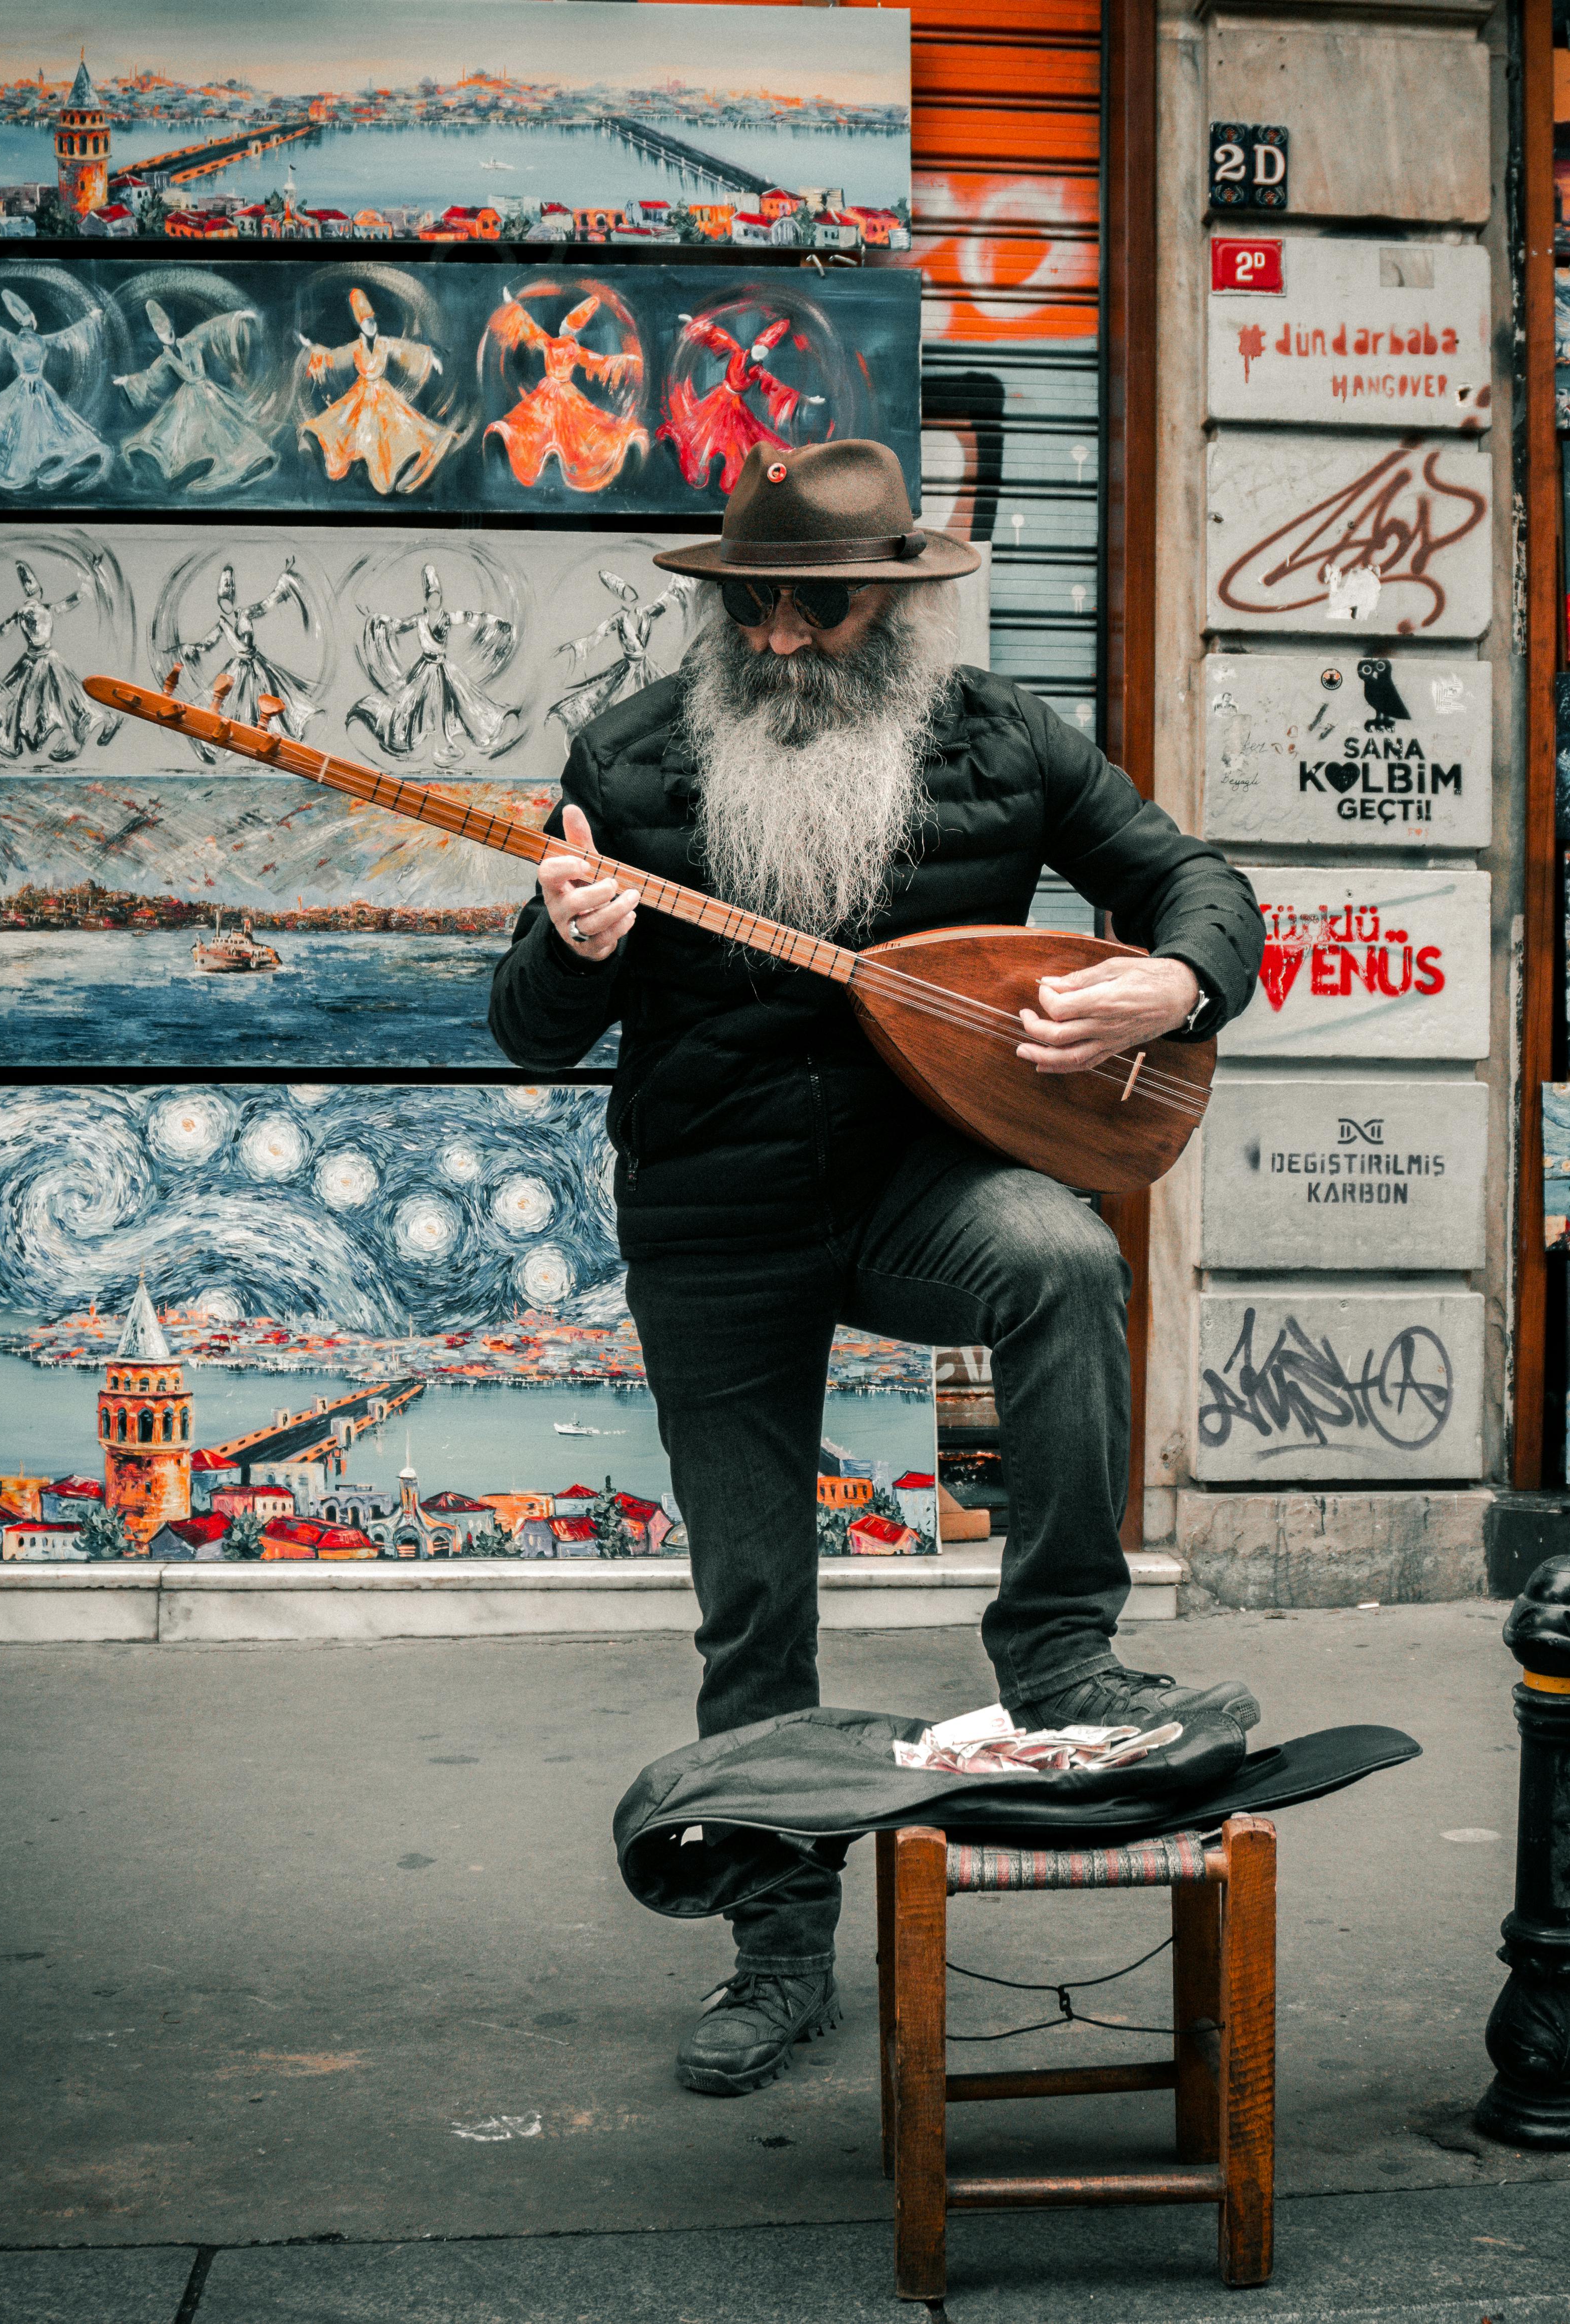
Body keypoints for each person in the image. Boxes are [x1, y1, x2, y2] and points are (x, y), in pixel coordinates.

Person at [488, 439, 1265, 2098]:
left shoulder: (1003, 741)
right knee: (754, 1609)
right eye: (751, 608)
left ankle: (1058, 1650)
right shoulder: (629, 760)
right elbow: (529, 1034)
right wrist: (572, 945)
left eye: (817, 609)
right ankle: (780, 1955)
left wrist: (1179, 983)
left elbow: (1192, 880)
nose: (777, 639)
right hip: (717, 1213)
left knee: (1060, 1258)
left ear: (896, 608)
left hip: (926, 1181)